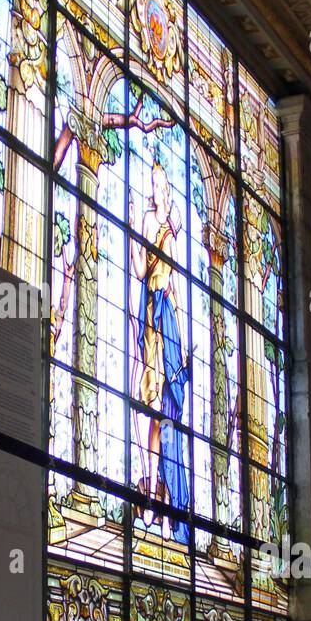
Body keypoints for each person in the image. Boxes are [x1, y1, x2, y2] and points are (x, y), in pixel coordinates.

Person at [129, 163, 190, 544]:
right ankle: (150, 486)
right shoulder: (151, 220)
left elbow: (179, 284)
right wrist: (136, 224)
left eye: (163, 186)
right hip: (152, 312)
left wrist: (182, 341)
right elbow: (139, 269)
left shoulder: (174, 229)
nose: (159, 192)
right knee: (148, 400)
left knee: (165, 411)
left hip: (169, 319)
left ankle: (162, 494)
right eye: (155, 186)